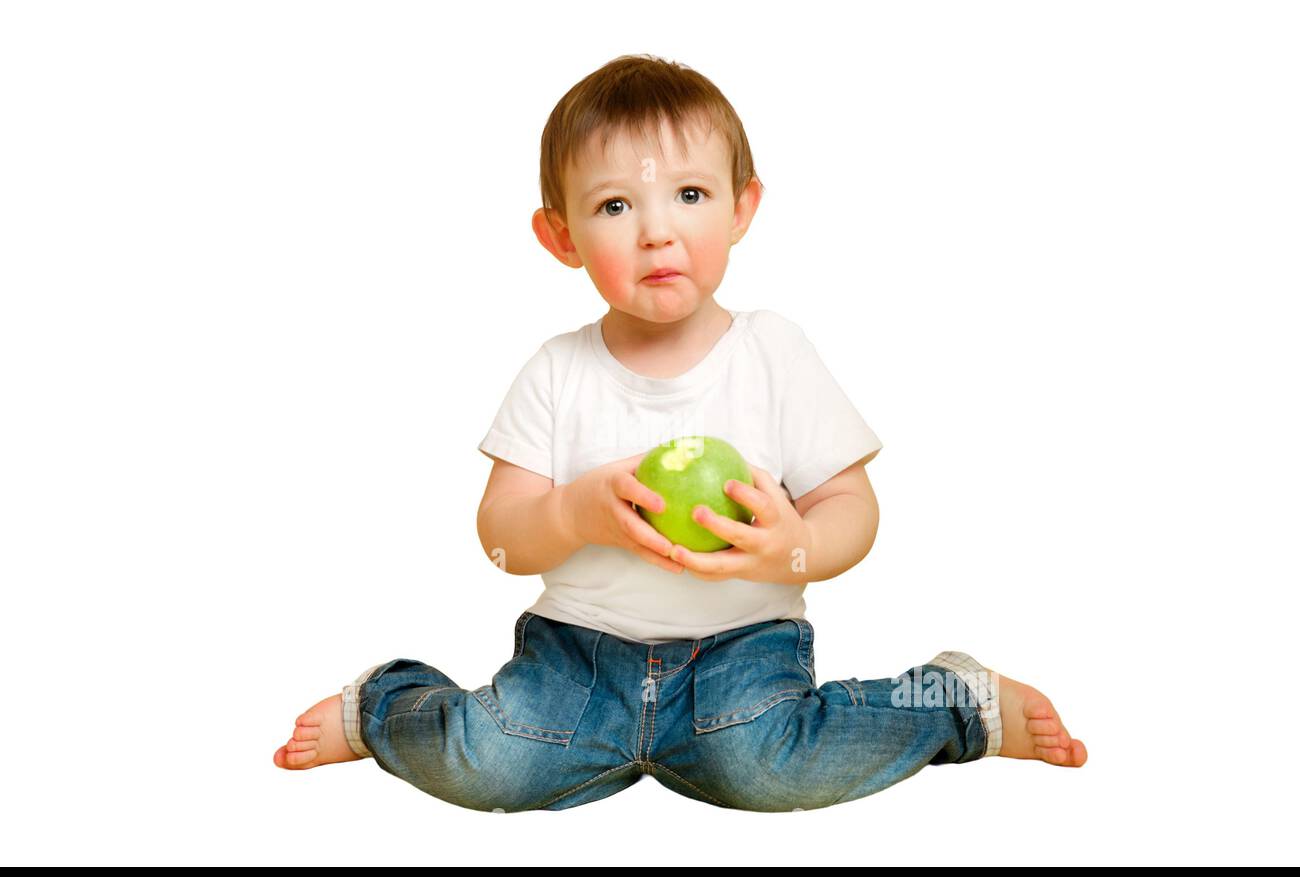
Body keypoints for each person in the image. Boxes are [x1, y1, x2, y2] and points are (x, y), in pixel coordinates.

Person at [273, 54, 1087, 811]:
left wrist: (793, 545)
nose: (656, 231)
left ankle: (951, 703)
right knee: (491, 763)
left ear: (743, 208)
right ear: (561, 236)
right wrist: (571, 514)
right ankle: (382, 706)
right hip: (577, 660)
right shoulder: (558, 371)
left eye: (689, 196)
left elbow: (854, 507)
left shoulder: (771, 352)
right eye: (615, 205)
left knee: (767, 767)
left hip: (743, 655)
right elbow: (499, 540)